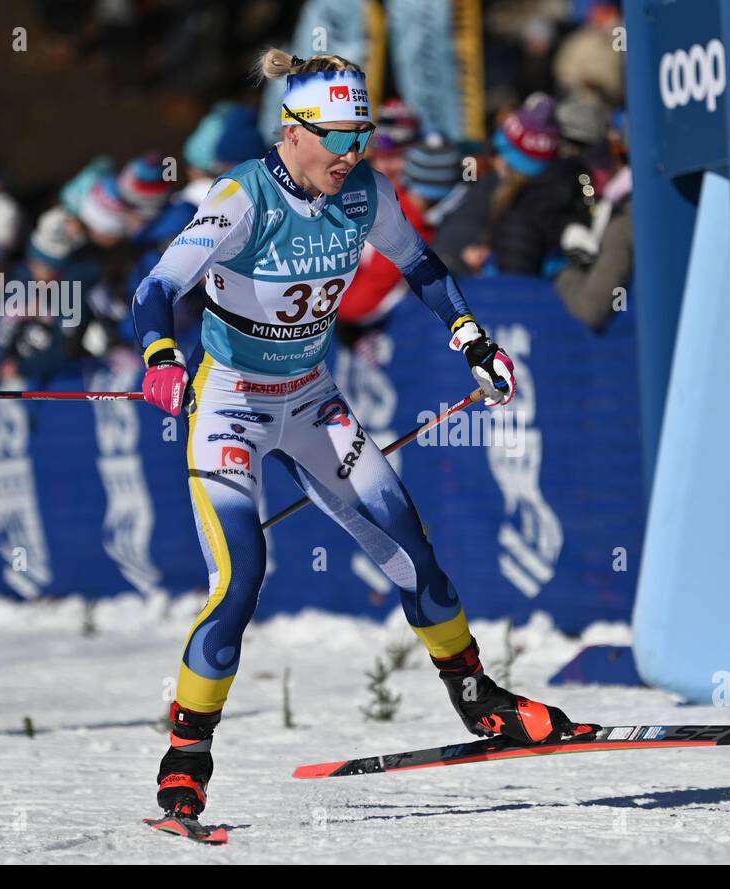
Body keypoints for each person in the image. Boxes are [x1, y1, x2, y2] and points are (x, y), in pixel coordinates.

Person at [131, 49, 587, 822]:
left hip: (311, 399)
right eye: (337, 136)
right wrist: (159, 358)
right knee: (242, 578)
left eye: (362, 135)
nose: (352, 153)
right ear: (293, 130)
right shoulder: (243, 196)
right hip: (232, 402)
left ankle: (482, 703)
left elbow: (422, 265)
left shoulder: (365, 192)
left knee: (414, 550)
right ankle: (186, 760)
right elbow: (157, 286)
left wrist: (471, 337)